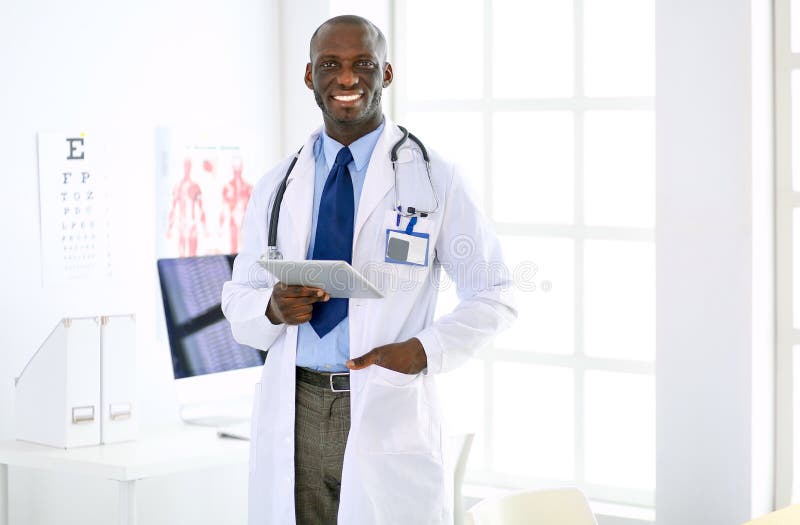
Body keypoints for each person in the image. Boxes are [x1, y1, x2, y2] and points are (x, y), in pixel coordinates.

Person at [221, 15, 516, 525]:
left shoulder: (434, 178)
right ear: (309, 76)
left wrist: (423, 350)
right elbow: (241, 292)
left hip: (383, 401)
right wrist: (270, 308)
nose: (347, 79)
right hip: (297, 403)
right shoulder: (278, 184)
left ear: (387, 73)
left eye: (364, 64)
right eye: (330, 64)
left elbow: (497, 292)